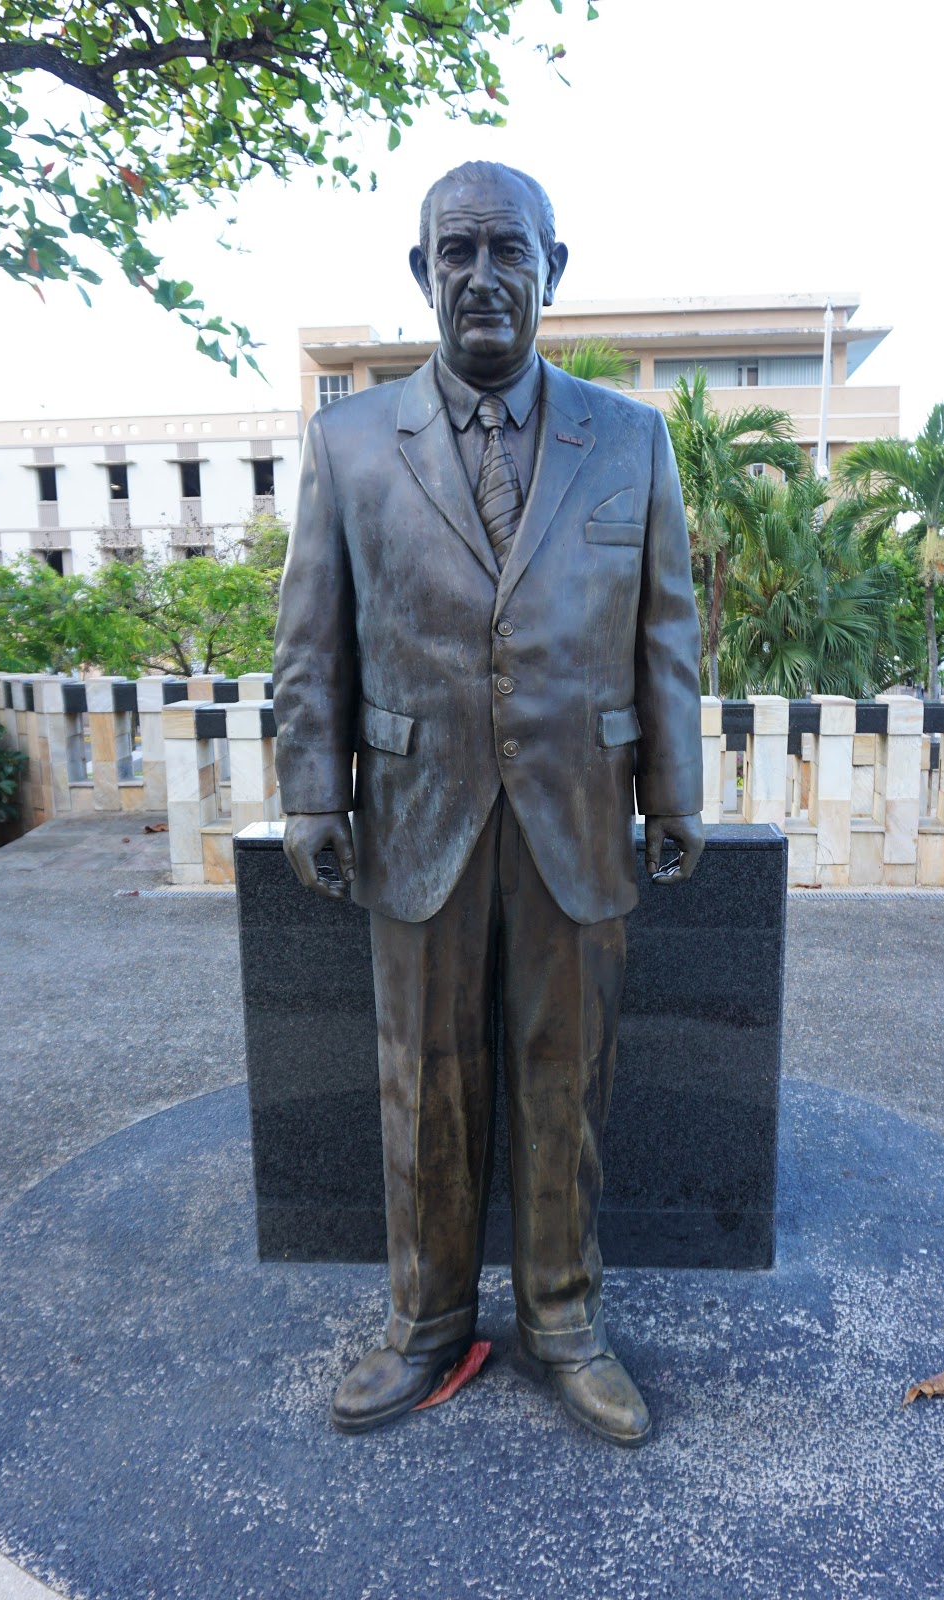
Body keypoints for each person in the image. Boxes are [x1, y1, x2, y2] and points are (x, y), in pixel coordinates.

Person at [273, 161, 704, 1448]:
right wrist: (310, 793)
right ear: (420, 274)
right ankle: (426, 1322)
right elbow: (313, 637)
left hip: (579, 807)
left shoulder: (629, 438)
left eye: (505, 250)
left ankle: (563, 1320)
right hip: (414, 811)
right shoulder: (349, 442)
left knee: (567, 1078)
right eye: (451, 252)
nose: (479, 276)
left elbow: (668, 627)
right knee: (426, 1081)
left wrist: (675, 787)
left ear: (551, 269)